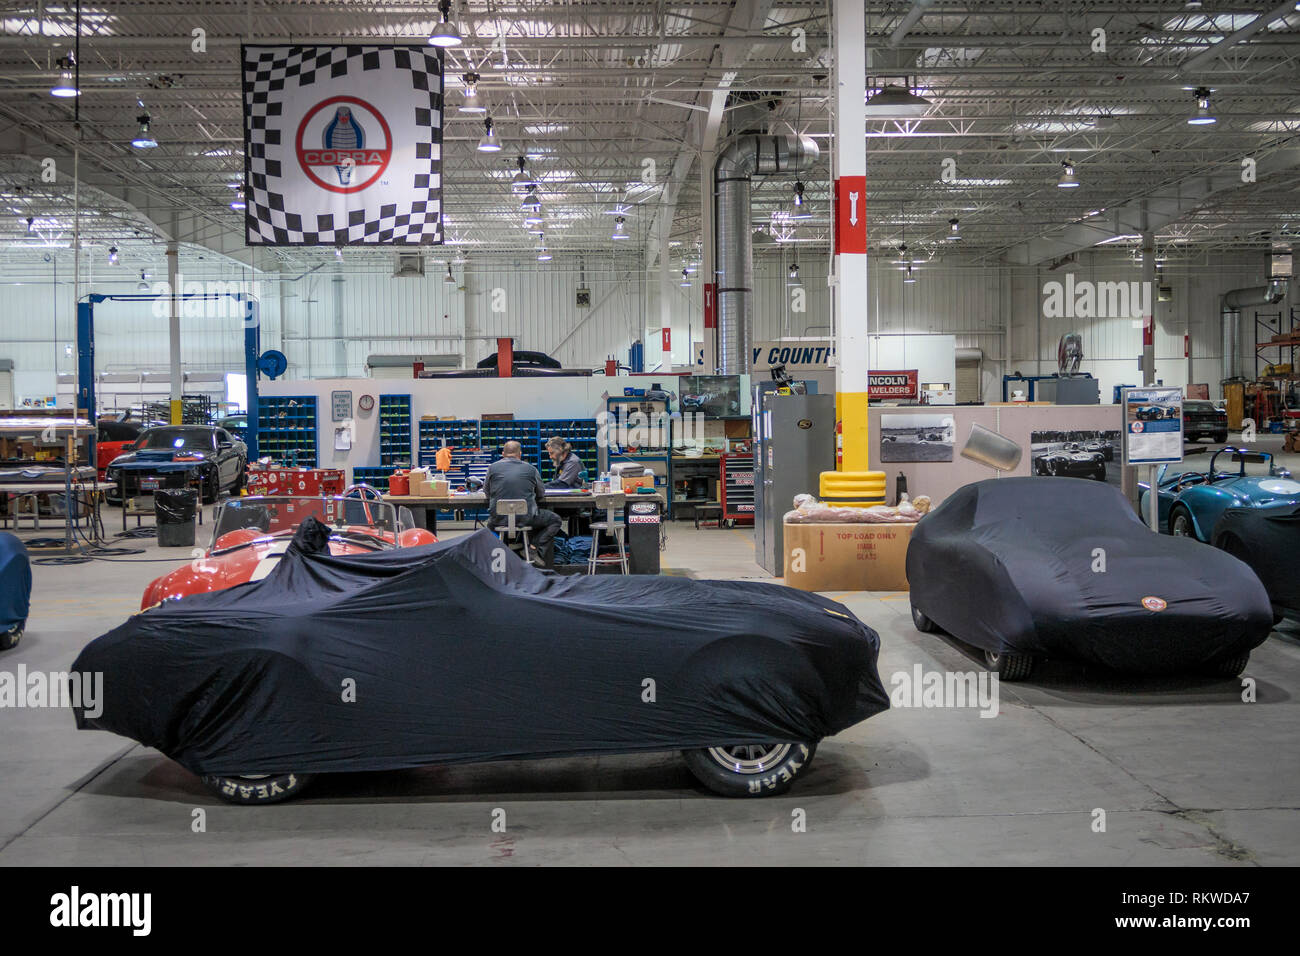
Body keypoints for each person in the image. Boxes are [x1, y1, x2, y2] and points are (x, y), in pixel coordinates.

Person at [485, 440, 561, 567]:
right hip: (526, 518)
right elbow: (541, 493)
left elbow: (487, 492)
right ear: (520, 454)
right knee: (555, 520)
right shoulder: (531, 469)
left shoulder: (492, 468)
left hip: (497, 519)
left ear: (503, 454)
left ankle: (498, 561)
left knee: (490, 525)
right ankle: (532, 549)